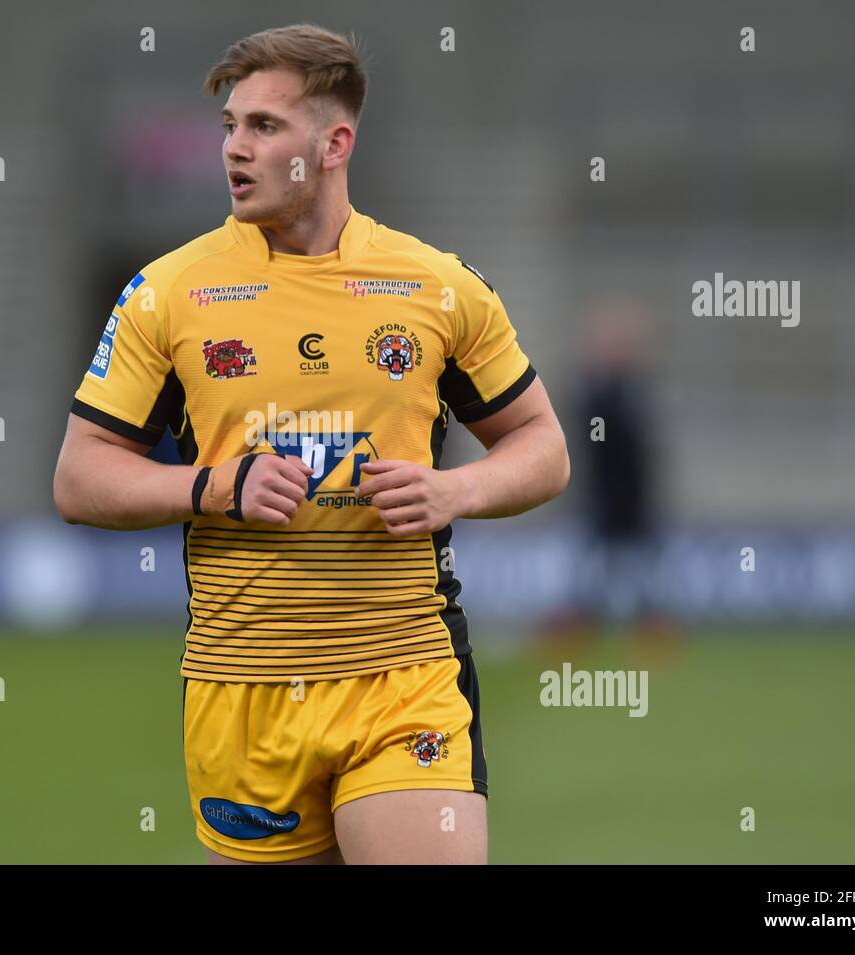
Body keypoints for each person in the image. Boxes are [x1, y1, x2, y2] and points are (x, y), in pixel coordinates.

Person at [54, 23, 570, 864]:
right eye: (229, 127)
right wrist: (215, 487)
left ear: (334, 143)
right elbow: (80, 479)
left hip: (405, 675)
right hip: (243, 686)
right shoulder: (167, 293)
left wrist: (456, 490)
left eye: (264, 127)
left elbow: (543, 444)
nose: (234, 149)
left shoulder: (435, 286)